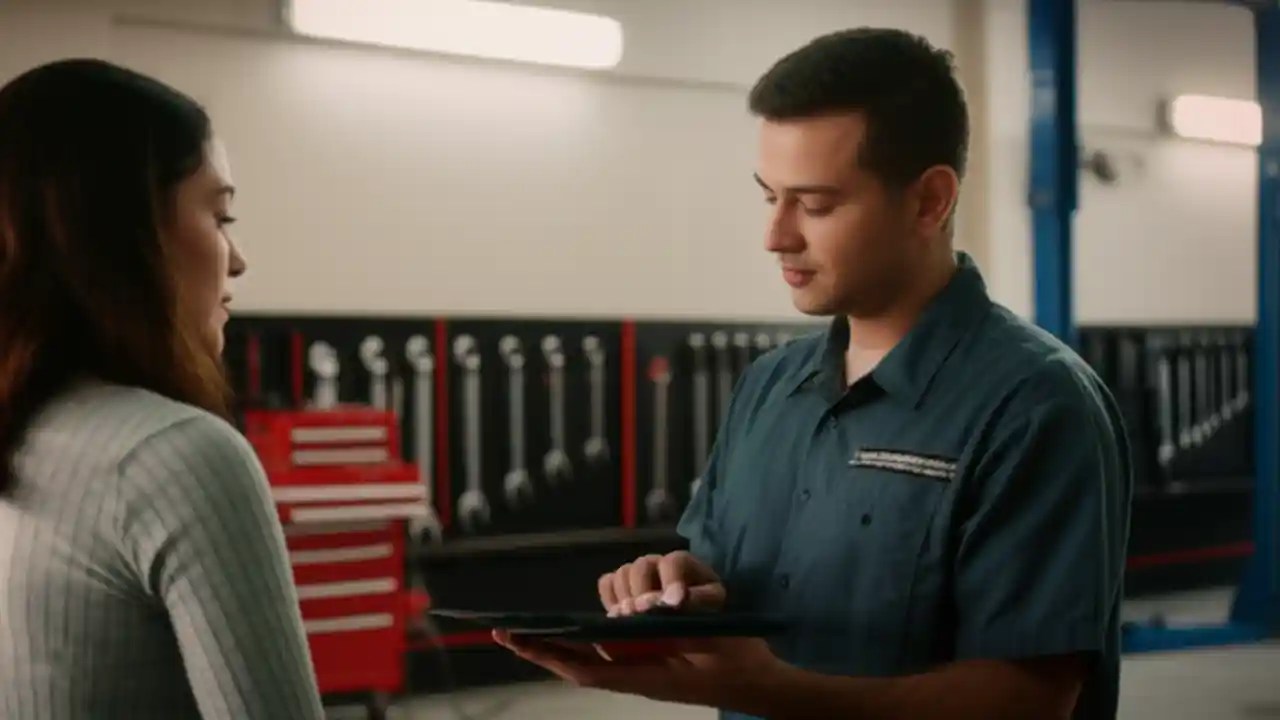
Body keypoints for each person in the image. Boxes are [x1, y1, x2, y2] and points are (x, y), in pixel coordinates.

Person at [495, 27, 1133, 720]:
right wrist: (679, 590)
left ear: (930, 201)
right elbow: (726, 582)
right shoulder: (769, 386)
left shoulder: (1035, 407)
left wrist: (764, 688)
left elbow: (1027, 702)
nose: (776, 236)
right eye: (769, 196)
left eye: (816, 204)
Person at [0, 59, 324, 719]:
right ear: (124, 235)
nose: (238, 260)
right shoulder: (176, 454)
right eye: (221, 216)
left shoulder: (26, 439)